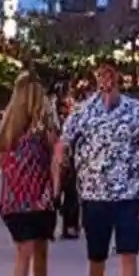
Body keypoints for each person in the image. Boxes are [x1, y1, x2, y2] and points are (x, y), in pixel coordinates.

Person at [55, 60, 139, 276]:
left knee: (128, 253)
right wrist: (59, 174)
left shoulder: (136, 111)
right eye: (102, 75)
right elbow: (64, 143)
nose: (107, 80)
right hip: (94, 193)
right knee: (96, 256)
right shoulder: (83, 112)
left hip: (128, 192)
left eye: (111, 75)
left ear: (119, 78)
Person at [0, 73, 57, 276]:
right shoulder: (44, 127)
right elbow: (56, 154)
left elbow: (1, 159)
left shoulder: (7, 129)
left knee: (22, 253)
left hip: (12, 200)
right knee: (40, 250)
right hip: (39, 198)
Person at [53, 95, 82, 239]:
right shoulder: (53, 121)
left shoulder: (74, 120)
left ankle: (70, 225)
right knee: (56, 193)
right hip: (58, 159)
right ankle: (58, 225)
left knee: (71, 194)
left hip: (70, 159)